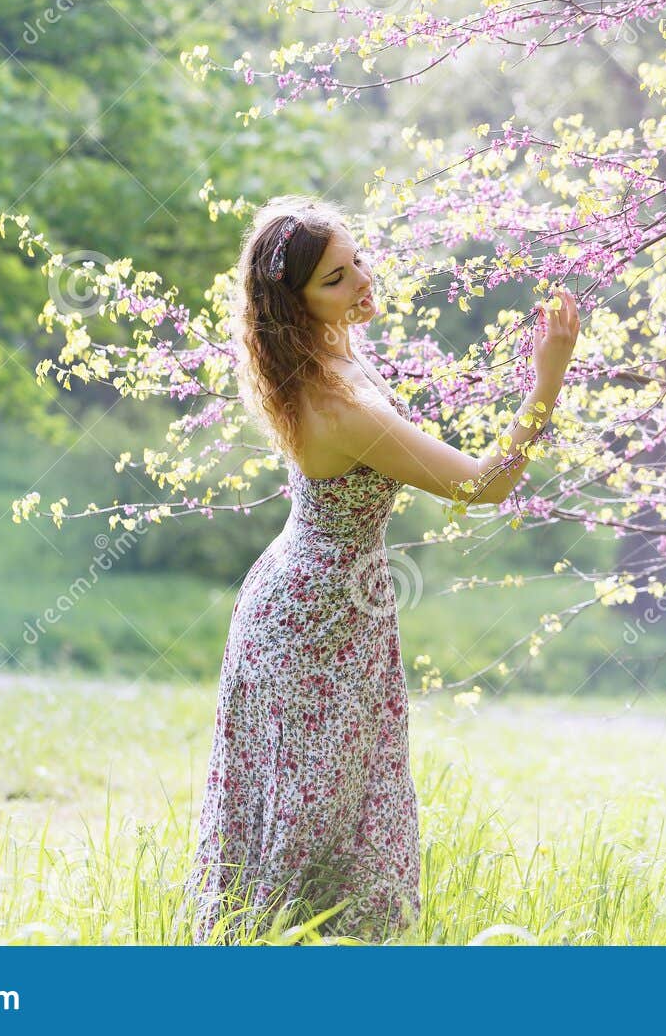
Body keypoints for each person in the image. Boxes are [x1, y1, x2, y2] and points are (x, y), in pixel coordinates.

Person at [182, 195, 580, 943]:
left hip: (332, 600)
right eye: (336, 277)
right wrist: (546, 380)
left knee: (344, 806)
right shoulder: (335, 404)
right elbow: (481, 485)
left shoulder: (323, 353)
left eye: (358, 258)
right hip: (311, 620)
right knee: (307, 819)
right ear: (294, 304)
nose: (362, 280)